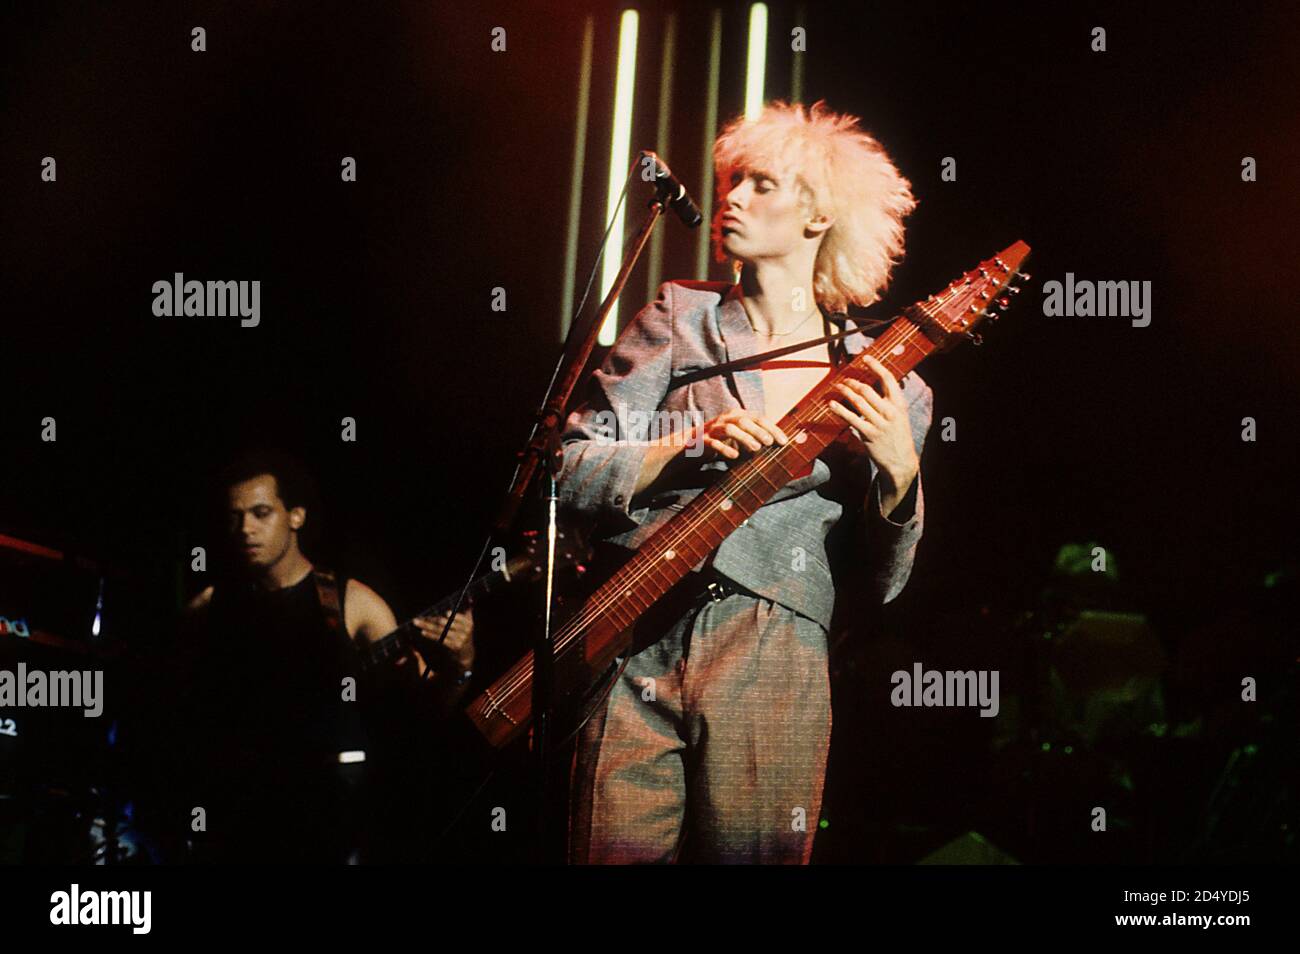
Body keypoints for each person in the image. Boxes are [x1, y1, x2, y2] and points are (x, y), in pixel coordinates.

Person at [560, 101, 933, 863]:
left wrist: (900, 472)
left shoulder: (891, 382)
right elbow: (571, 468)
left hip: (776, 650)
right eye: (732, 181)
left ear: (819, 214)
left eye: (761, 184)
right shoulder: (679, 315)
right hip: (637, 628)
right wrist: (685, 443)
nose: (730, 198)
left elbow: (883, 582)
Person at [174, 450, 474, 862]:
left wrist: (460, 664)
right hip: (237, 821)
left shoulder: (352, 602)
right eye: (235, 516)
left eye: (261, 513)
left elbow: (427, 707)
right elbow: (178, 711)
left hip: (328, 823)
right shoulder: (210, 607)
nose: (246, 529)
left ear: (295, 516)